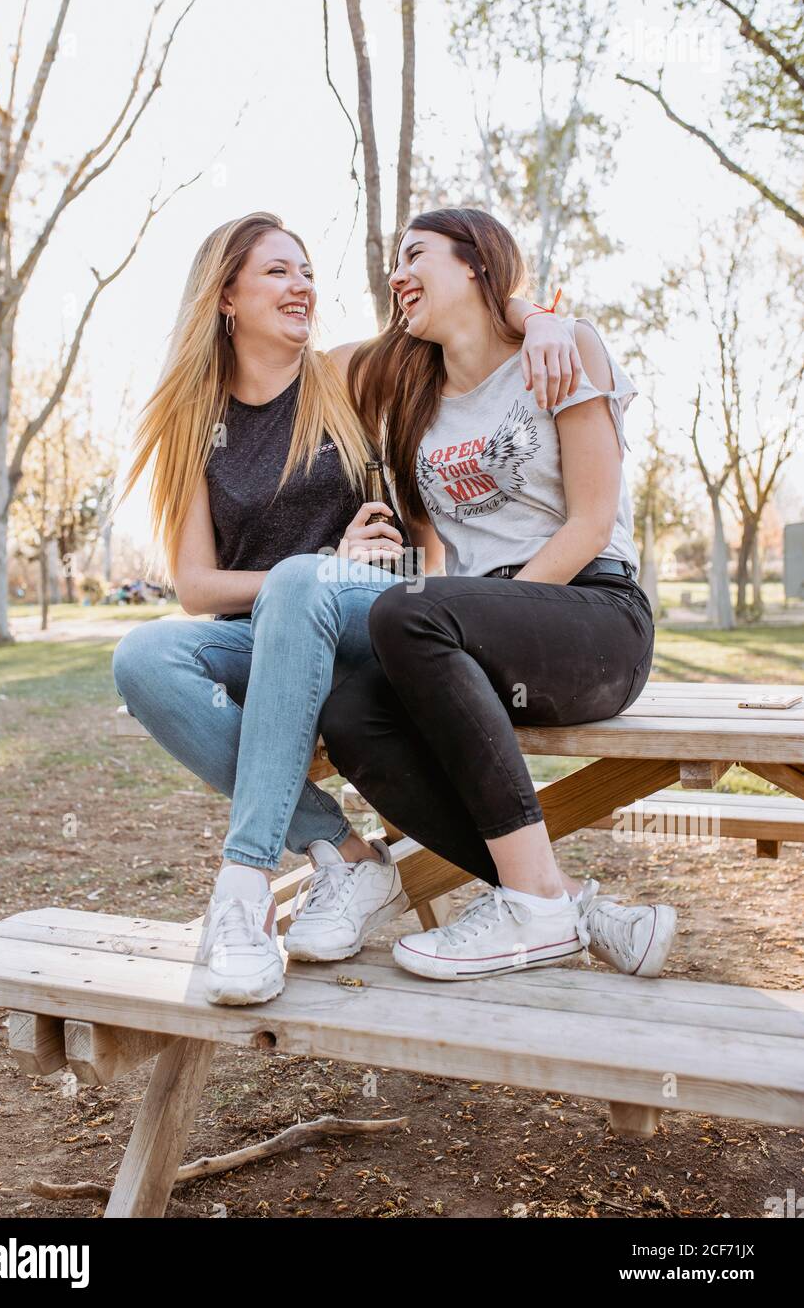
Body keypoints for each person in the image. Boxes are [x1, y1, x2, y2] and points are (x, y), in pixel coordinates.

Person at [111, 211, 579, 1006]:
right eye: (279, 272)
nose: (304, 286)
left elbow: (457, 313)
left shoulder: (344, 374)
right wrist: (311, 570)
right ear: (226, 296)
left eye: (306, 271)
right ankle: (346, 856)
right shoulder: (193, 422)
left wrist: (540, 319)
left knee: (305, 587)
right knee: (143, 658)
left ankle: (244, 893)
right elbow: (196, 584)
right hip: (267, 636)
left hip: (371, 628)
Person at [318, 206, 675, 982]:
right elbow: (313, 368)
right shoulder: (411, 393)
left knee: (408, 613)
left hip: (595, 623)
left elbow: (590, 522)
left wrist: (538, 316)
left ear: (476, 263)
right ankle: (555, 901)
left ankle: (534, 910)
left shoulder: (563, 349)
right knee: (350, 710)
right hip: (481, 631)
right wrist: (368, 554)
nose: (397, 273)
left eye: (417, 254)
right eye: (393, 262)